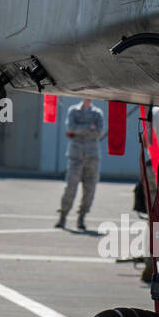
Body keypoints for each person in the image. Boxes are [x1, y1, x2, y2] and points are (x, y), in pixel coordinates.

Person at [59, 98, 105, 231]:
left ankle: (82, 217)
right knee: (70, 187)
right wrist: (89, 128)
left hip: (92, 157)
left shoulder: (97, 113)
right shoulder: (73, 110)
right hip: (76, 157)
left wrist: (80, 130)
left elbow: (99, 132)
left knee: (90, 190)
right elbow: (70, 128)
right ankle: (63, 215)